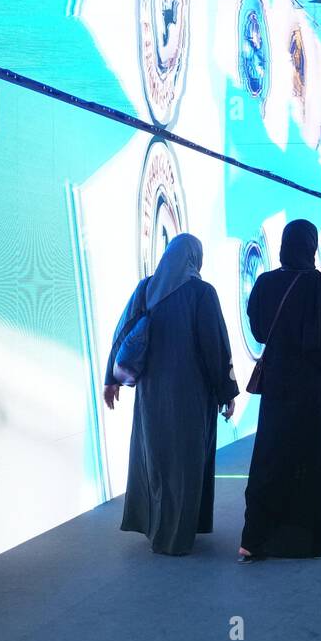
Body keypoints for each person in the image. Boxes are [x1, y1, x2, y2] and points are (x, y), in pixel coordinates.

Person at [104, 233, 238, 556]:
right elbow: (215, 347)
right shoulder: (202, 293)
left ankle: (158, 528)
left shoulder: (147, 288)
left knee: (158, 461)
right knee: (186, 464)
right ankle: (177, 536)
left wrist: (111, 378)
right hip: (191, 397)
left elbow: (122, 332)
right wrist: (226, 391)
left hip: (152, 397)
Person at [239, 219, 321, 562]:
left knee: (271, 459)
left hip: (278, 386)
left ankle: (254, 540)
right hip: (318, 391)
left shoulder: (264, 283)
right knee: (318, 461)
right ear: (311, 246)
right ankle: (317, 541)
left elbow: (260, 331)